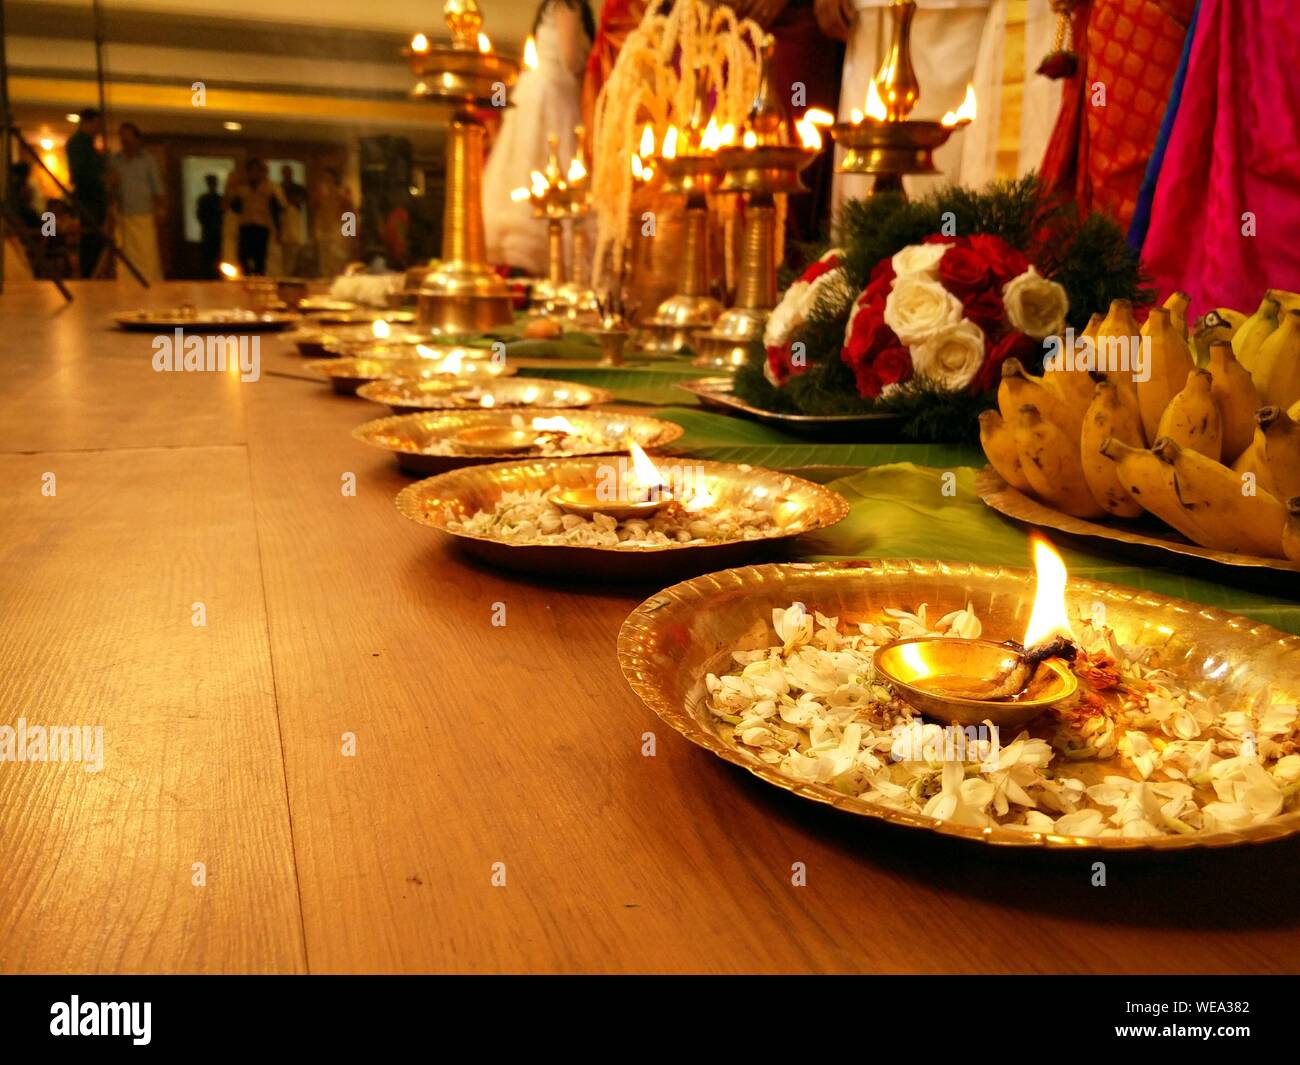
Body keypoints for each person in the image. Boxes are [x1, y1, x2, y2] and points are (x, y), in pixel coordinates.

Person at [484, 0, 594, 274]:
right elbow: (570, 60)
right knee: (559, 174)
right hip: (553, 97)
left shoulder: (549, 8)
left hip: (533, 94)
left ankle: (535, 263)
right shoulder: (568, 5)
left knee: (525, 170)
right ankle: (557, 262)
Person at [109, 122, 164, 283]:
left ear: (137, 139)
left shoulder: (148, 161)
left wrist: (160, 210)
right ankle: (127, 286)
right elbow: (111, 191)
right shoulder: (115, 161)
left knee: (147, 255)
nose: (124, 140)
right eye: (122, 136)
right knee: (126, 256)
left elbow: (157, 188)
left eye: (127, 136)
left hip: (144, 215)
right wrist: (111, 184)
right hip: (123, 215)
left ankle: (150, 284)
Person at [65, 107, 108, 277]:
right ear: (89, 123)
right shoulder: (79, 143)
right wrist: (101, 178)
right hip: (89, 197)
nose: (98, 129)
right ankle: (90, 275)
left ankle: (92, 273)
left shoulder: (87, 144)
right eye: (97, 124)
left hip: (92, 197)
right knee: (91, 238)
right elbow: (81, 173)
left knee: (94, 239)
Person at [224, 158, 282, 275]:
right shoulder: (241, 189)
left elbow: (275, 210)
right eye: (251, 171)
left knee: (260, 258)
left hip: (262, 227)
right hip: (245, 226)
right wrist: (232, 192)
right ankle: (246, 279)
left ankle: (259, 281)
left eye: (257, 171)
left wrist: (279, 230)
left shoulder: (269, 189)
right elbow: (235, 209)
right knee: (243, 256)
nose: (254, 174)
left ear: (261, 173)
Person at [311, 168, 355, 278]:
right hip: (325, 236)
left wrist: (349, 237)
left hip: (339, 237)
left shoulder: (343, 197)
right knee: (325, 266)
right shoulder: (321, 197)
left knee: (339, 265)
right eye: (324, 180)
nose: (326, 183)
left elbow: (350, 217)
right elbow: (317, 217)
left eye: (328, 180)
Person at [277, 164, 308, 276]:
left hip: (295, 222)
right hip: (284, 223)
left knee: (295, 251)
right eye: (284, 172)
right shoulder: (279, 188)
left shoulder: (298, 188)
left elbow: (302, 200)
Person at [196, 174, 224, 279]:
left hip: (214, 232)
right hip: (209, 232)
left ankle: (213, 276)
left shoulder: (218, 199)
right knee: (207, 258)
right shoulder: (204, 199)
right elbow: (200, 215)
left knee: (214, 258)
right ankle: (207, 276)